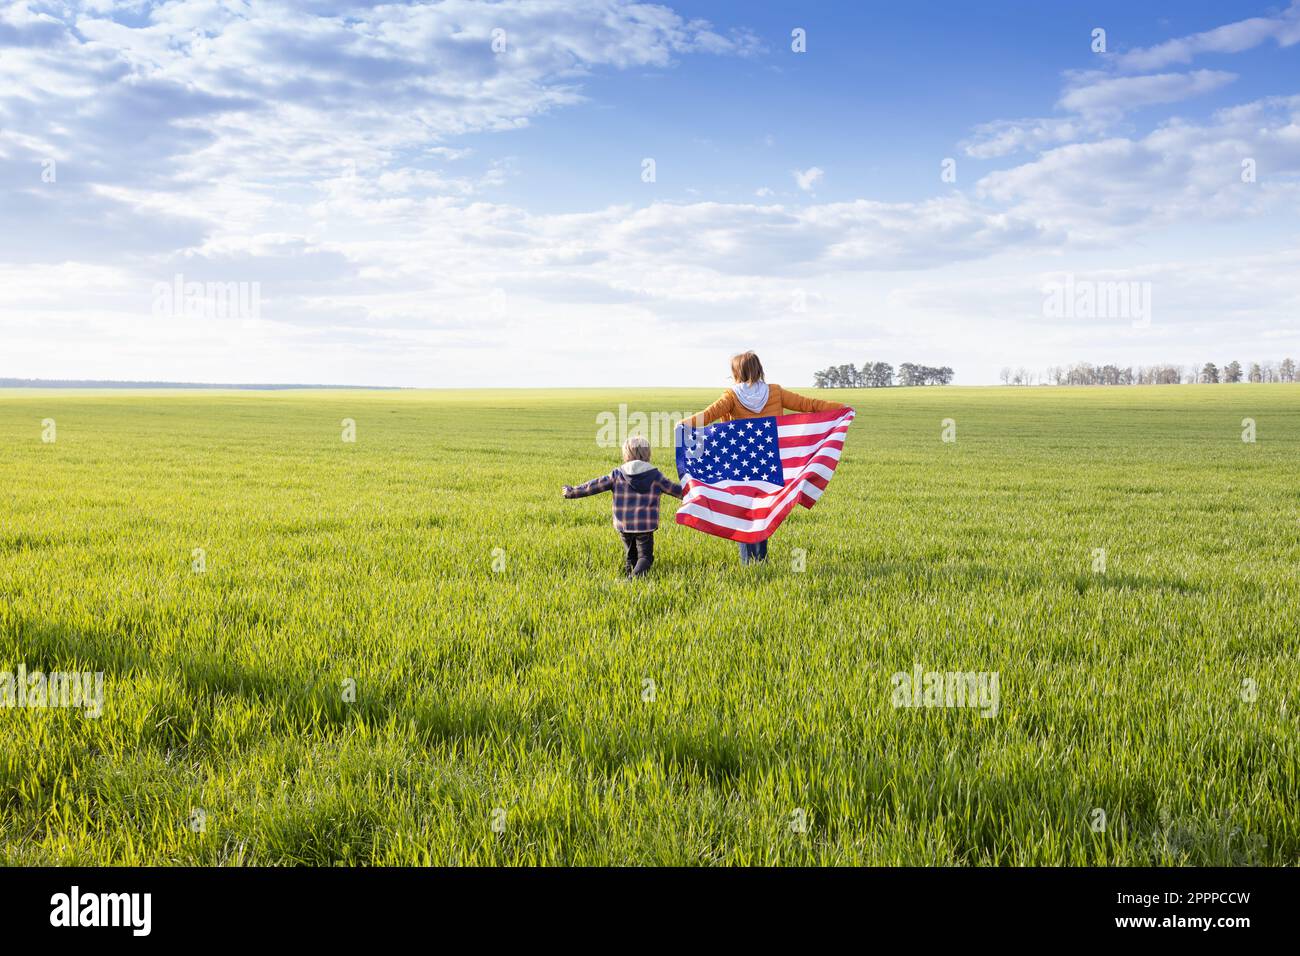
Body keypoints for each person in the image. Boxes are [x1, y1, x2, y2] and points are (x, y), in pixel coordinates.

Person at [681, 351, 849, 564]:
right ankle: (762, 560)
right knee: (764, 509)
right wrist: (841, 408)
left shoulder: (731, 396)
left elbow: (708, 415)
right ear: (759, 369)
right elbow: (810, 405)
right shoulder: (775, 392)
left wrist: (684, 424)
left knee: (745, 513)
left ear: (736, 372)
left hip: (742, 466)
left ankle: (749, 562)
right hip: (772, 463)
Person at [562, 435, 684, 577]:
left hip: (624, 525)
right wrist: (697, 493)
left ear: (626, 454)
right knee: (645, 557)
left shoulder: (617, 474)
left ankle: (629, 578)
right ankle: (632, 580)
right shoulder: (655, 476)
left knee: (632, 556)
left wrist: (571, 491)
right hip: (645, 525)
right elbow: (676, 490)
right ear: (648, 453)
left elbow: (594, 486)